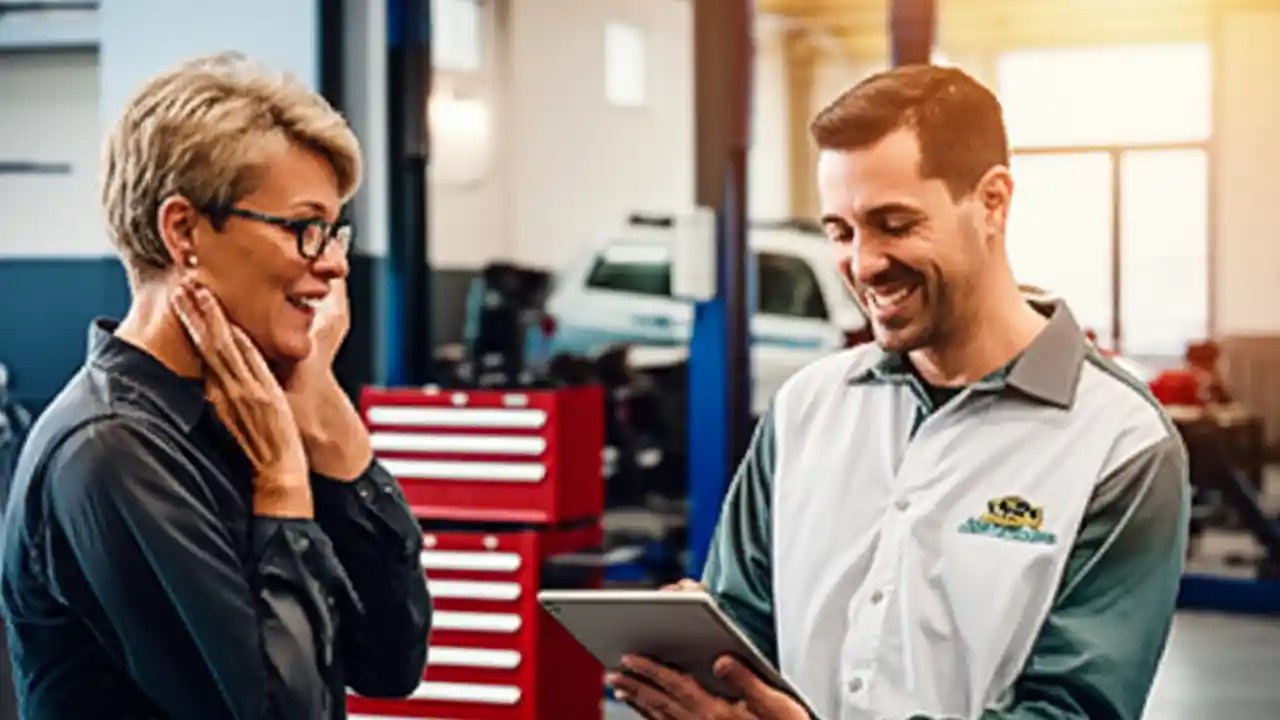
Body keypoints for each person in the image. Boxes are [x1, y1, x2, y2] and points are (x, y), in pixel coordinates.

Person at [607, 65, 1189, 720]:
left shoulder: (1119, 445)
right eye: (840, 231)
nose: (864, 263)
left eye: (895, 223)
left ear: (993, 202)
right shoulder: (805, 409)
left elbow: (1075, 711)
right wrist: (692, 669)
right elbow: (742, 638)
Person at [0, 53, 432, 719]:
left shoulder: (239, 416)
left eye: (334, 233)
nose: (334, 266)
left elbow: (391, 661)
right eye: (305, 229)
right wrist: (283, 488)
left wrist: (327, 422)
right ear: (184, 231)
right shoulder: (112, 451)